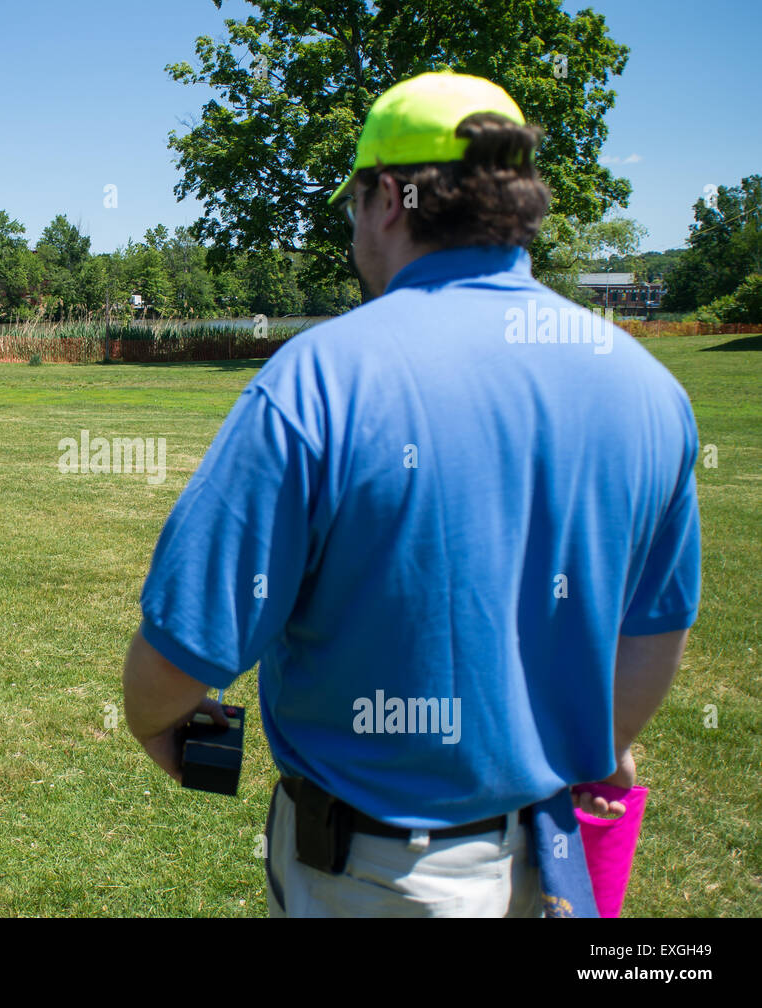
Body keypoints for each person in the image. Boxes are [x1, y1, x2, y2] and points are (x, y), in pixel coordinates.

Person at [120, 71, 700, 917]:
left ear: (388, 197)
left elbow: (183, 648)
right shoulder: (649, 391)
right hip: (556, 863)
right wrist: (597, 742)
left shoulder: (319, 379)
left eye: (355, 204)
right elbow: (656, 630)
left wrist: (152, 722)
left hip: (381, 877)